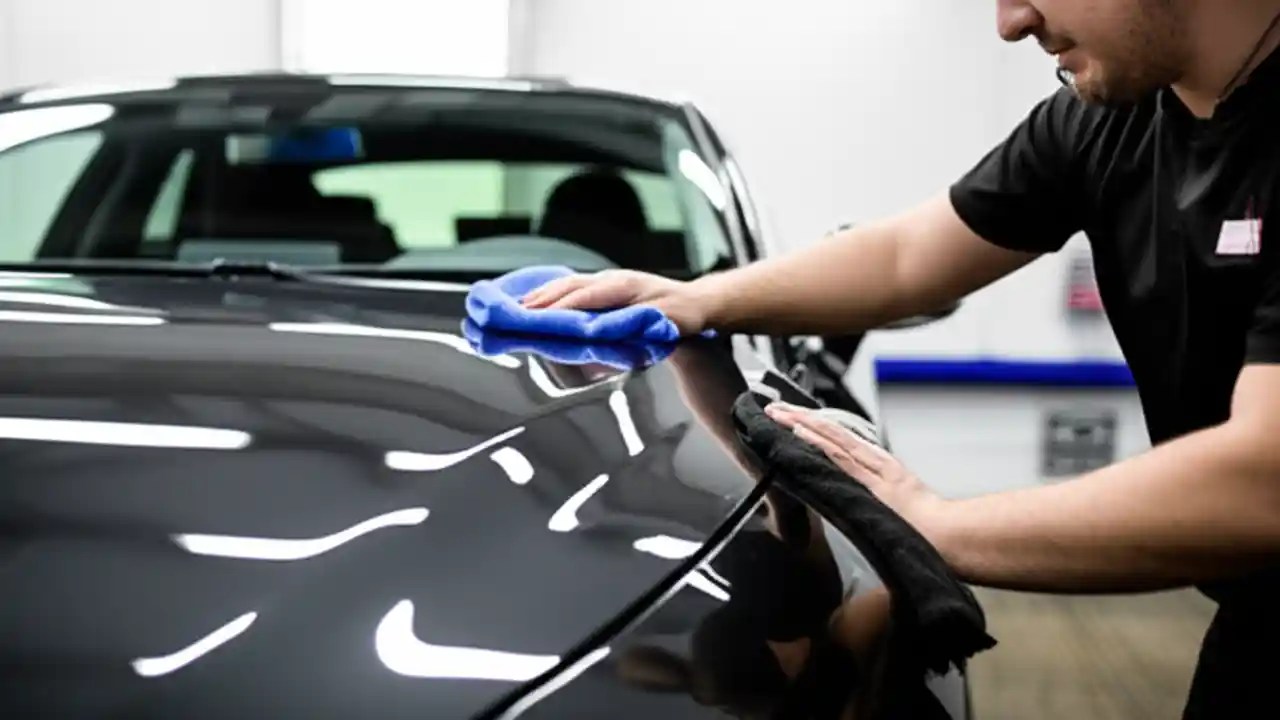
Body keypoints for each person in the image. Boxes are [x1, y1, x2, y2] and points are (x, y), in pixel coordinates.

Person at [520, 1, 1280, 716]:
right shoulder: (1105, 122)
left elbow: (1263, 483)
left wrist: (936, 526)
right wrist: (697, 300)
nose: (1012, 22)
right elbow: (907, 257)